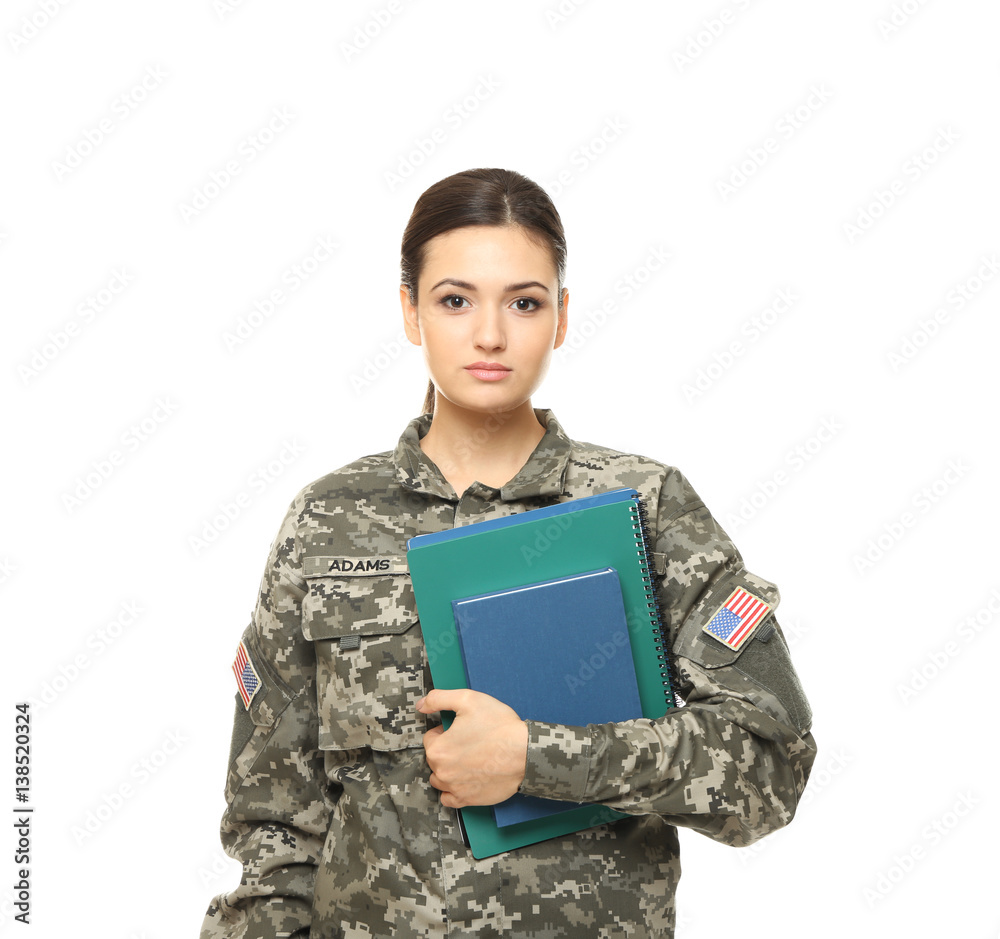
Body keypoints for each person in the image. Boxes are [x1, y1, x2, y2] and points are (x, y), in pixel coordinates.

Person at [201, 167, 816, 938]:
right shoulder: (327, 518)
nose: (489, 334)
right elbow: (272, 835)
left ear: (561, 316)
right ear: (409, 311)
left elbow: (768, 766)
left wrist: (537, 757)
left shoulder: (644, 507)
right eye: (454, 300)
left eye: (524, 302)